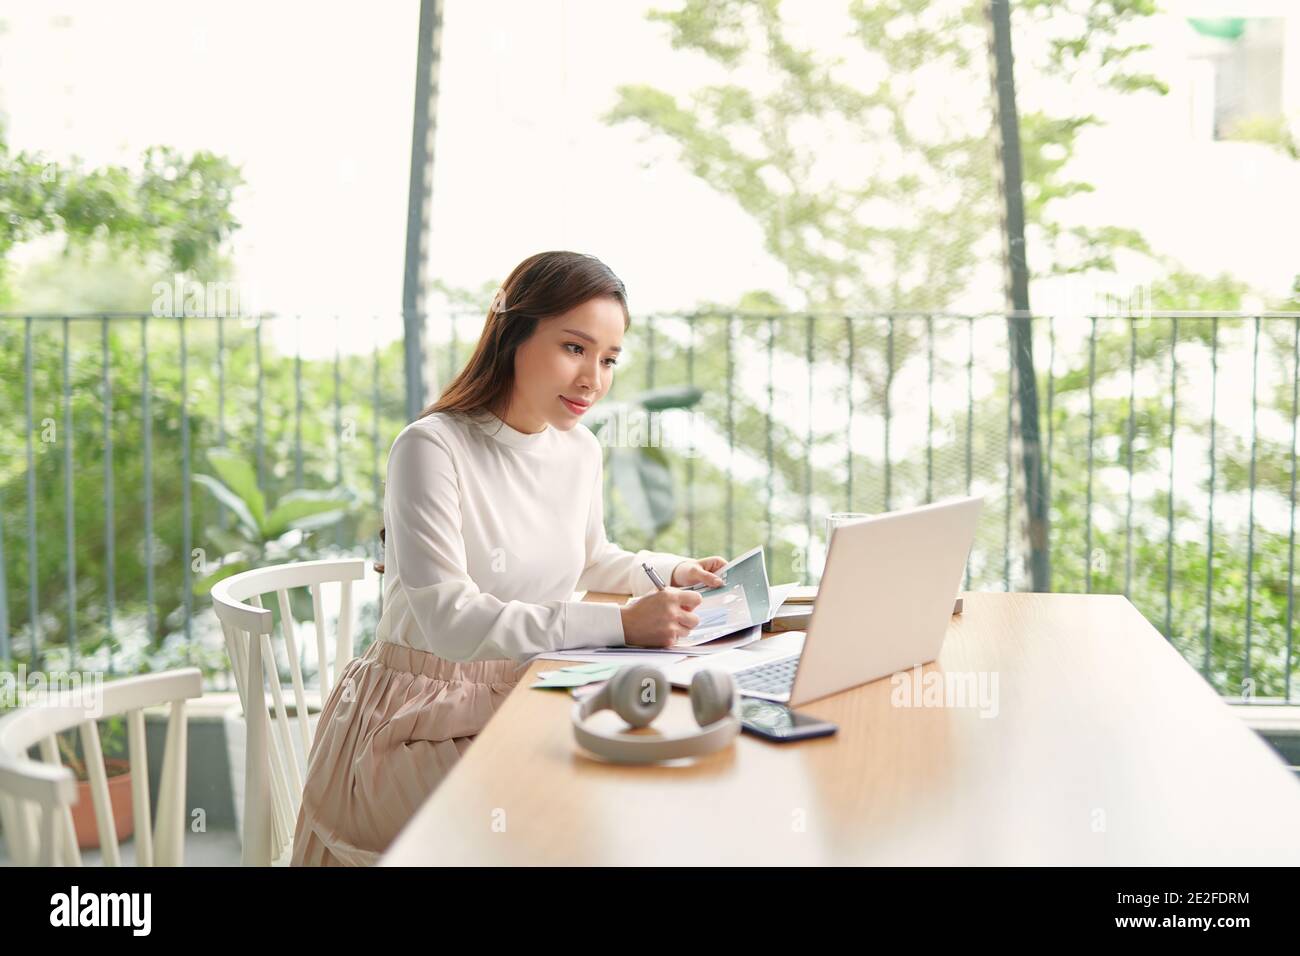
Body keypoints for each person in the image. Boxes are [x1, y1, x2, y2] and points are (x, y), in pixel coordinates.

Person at [291, 250, 726, 865]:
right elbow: (450, 618)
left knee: (649, 786)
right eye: (574, 348)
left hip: (526, 692)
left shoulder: (578, 451)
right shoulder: (430, 447)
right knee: (567, 821)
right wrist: (623, 626)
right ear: (513, 334)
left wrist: (674, 572)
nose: (592, 380)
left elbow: (591, 557)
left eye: (609, 359)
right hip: (414, 722)